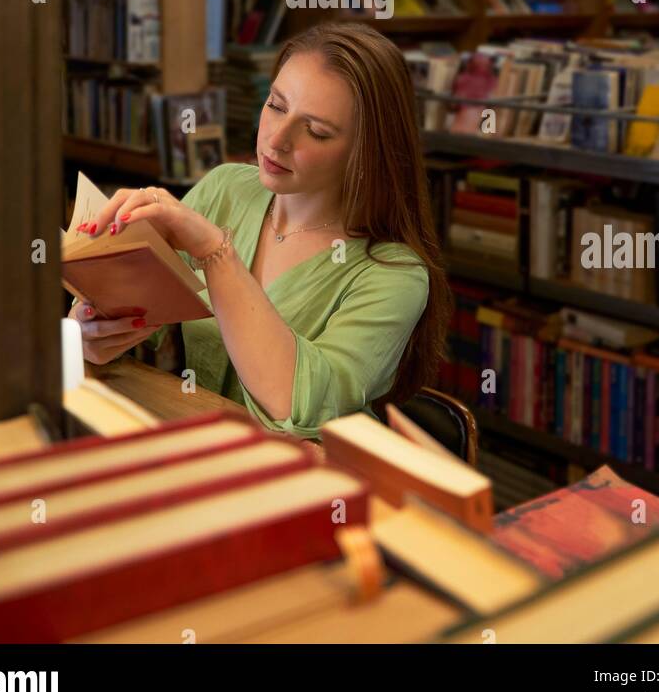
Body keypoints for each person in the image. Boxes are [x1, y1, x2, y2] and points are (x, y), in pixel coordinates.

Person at [70, 22, 451, 439]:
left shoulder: (394, 273)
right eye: (275, 105)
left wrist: (216, 252)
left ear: (365, 151)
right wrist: (90, 329)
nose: (278, 139)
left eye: (317, 131)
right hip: (200, 449)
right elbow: (140, 318)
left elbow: (297, 405)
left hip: (313, 484)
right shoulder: (227, 188)